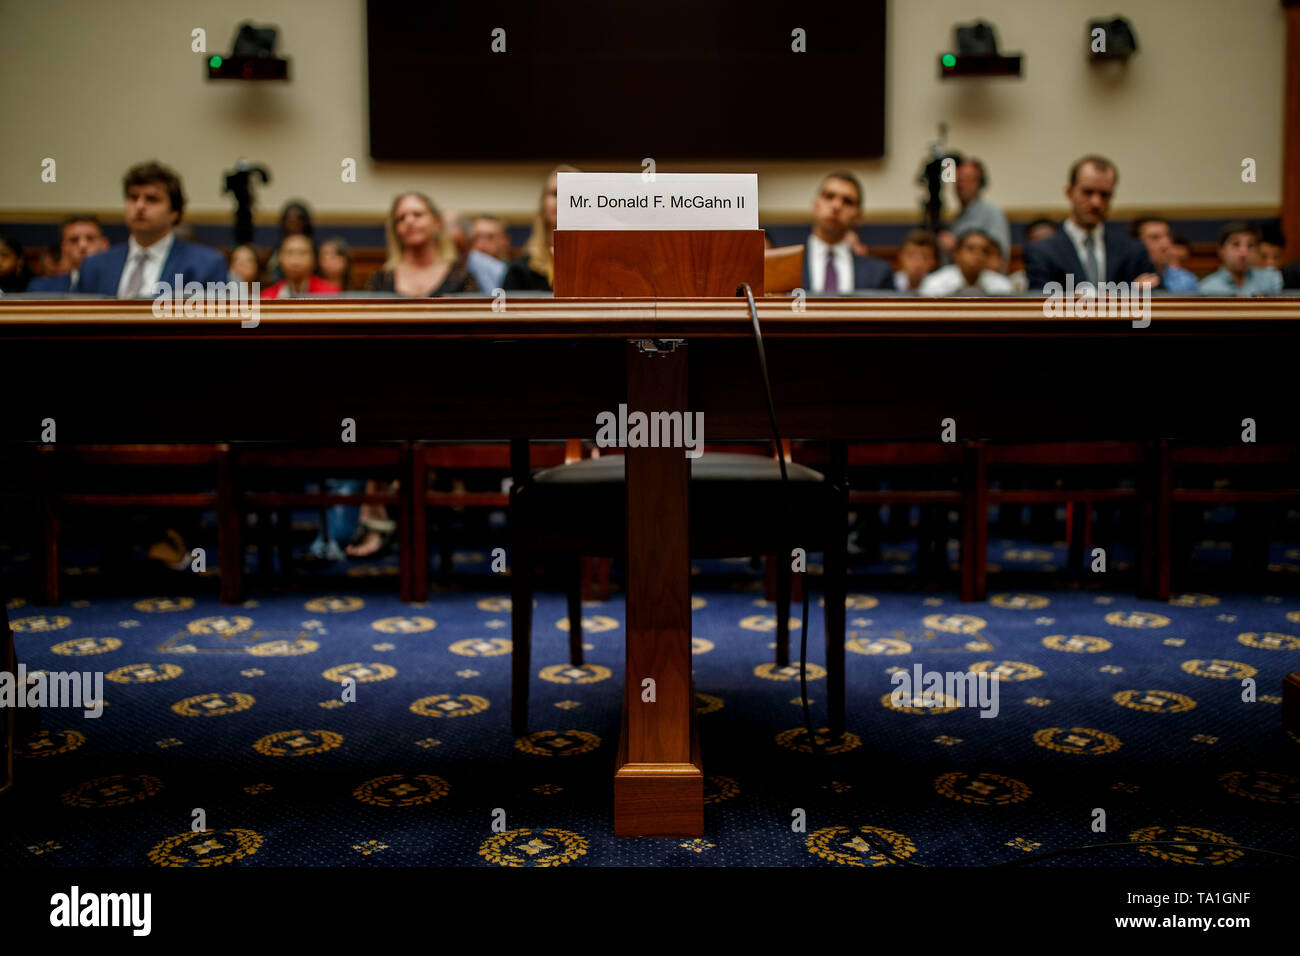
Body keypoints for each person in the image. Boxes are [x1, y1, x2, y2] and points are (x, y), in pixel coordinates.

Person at [76, 161, 226, 296]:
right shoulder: (94, 266)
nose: (140, 206)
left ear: (174, 213)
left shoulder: (205, 265)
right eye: (133, 198)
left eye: (152, 199)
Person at [1023, 155, 1158, 291]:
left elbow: (1155, 300)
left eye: (1104, 194)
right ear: (1069, 193)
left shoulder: (1133, 251)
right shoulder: (1042, 253)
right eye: (1088, 192)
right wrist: (1128, 291)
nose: (1096, 202)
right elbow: (1041, 304)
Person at [365, 192, 478, 296]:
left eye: (417, 214)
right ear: (396, 230)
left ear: (436, 222)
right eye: (401, 218)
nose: (409, 221)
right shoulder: (379, 280)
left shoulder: (462, 279)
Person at [801, 171, 894, 294]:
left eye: (847, 201)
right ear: (815, 204)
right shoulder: (785, 266)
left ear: (858, 216)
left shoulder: (879, 273)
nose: (836, 205)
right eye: (829, 196)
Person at [502, 165, 579, 291]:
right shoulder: (518, 270)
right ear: (543, 204)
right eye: (556, 193)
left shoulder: (601, 268)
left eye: (572, 195)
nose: (564, 200)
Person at [938, 159, 1010, 272]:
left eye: (967, 179)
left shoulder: (992, 214)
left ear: (979, 184)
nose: (961, 184)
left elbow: (998, 260)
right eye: (958, 179)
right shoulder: (957, 217)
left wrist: (955, 248)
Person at [918, 226, 1015, 295]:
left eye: (984, 250)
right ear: (956, 254)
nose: (978, 255)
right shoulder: (934, 285)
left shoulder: (1002, 287)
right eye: (970, 249)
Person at [1198, 221, 1283, 296]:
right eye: (1236, 244)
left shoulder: (1270, 280)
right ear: (1221, 250)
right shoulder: (1207, 288)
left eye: (1250, 245)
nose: (1244, 253)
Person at [1129, 216, 1199, 291]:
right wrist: (1133, 291)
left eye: (1168, 235)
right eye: (1155, 237)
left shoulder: (1186, 281)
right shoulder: (1122, 277)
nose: (1166, 244)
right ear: (1136, 244)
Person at [260, 235, 340, 297]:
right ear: (279, 258)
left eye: (302, 253)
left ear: (314, 259)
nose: (295, 259)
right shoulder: (267, 297)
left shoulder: (331, 294)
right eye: (290, 252)